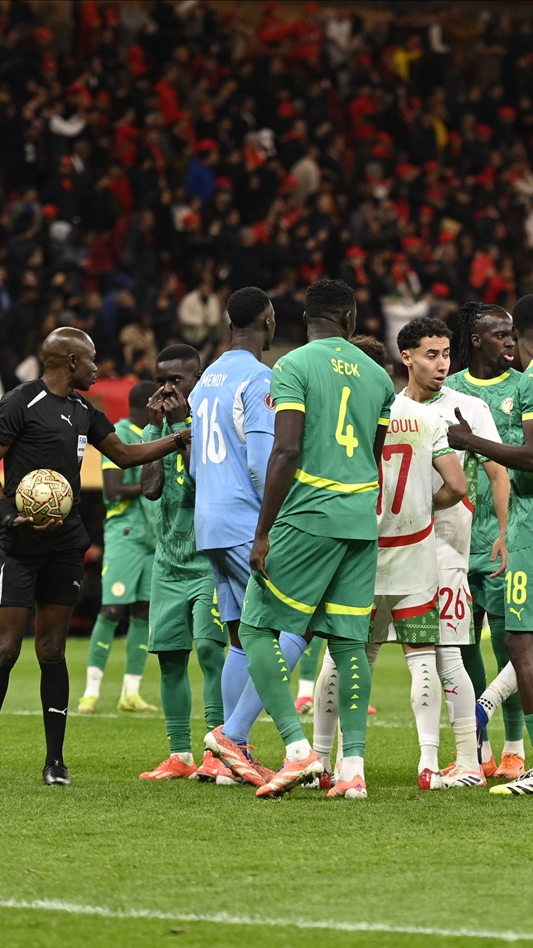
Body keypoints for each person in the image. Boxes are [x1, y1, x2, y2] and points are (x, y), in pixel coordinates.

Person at [0, 327, 189, 787]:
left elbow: (123, 455)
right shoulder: (21, 402)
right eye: (91, 360)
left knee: (52, 650)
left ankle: (55, 762)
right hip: (19, 544)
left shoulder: (85, 410)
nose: (97, 368)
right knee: (4, 649)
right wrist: (6, 514)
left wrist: (178, 439)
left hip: (65, 545)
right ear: (68, 362)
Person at [232, 278, 395, 799]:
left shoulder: (293, 366)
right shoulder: (378, 375)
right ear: (349, 320)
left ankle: (298, 752)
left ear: (306, 321)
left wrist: (262, 532)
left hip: (307, 516)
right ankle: (353, 771)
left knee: (256, 628)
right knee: (349, 645)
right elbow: (374, 454)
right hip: (358, 522)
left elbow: (286, 451)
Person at [312, 329, 472, 789]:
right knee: (422, 657)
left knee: (343, 658)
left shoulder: (344, 418)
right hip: (415, 554)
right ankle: (427, 764)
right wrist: (424, 505)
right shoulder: (425, 418)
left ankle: (325, 763)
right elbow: (458, 488)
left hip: (359, 553)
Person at [447, 294, 533, 797]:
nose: (506, 343)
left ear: (522, 332)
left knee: (521, 641)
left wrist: (472, 443)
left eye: (510, 333)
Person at [192, 286, 309, 788]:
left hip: (209, 522)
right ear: (268, 320)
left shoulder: (204, 380)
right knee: (296, 622)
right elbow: (265, 464)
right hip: (246, 522)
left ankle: (225, 760)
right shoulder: (261, 378)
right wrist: (274, 525)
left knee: (242, 635)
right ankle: (231, 735)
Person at [395, 317, 507, 785]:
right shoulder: (391, 408)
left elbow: (498, 472)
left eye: (446, 355)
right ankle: (345, 759)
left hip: (446, 549)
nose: (442, 365)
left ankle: (469, 760)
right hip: (398, 551)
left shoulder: (470, 408)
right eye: (431, 355)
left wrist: (504, 531)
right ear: (407, 358)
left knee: (449, 655)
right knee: (373, 652)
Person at [137, 345, 232, 783]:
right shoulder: (154, 428)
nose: (167, 387)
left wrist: (178, 426)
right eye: (163, 379)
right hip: (168, 562)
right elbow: (151, 488)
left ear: (198, 379)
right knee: (170, 658)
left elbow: (204, 481)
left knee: (212, 652)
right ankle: (180, 754)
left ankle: (218, 749)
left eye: (177, 380)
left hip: (210, 560)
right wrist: (159, 431)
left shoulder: (211, 425)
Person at [447, 303, 529, 780]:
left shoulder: (525, 388)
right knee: (459, 646)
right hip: (457, 538)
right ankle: (477, 748)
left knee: (508, 642)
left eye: (513, 334)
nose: (511, 342)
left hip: (509, 534)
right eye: (500, 335)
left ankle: (515, 748)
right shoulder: (450, 387)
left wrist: (504, 530)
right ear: (476, 340)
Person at [78, 381, 159, 714]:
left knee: (143, 611)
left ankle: (131, 693)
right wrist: (151, 483)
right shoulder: (119, 434)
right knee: (112, 610)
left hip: (153, 536)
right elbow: (112, 488)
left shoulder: (157, 435)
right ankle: (91, 692)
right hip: (124, 534)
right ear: (147, 404)